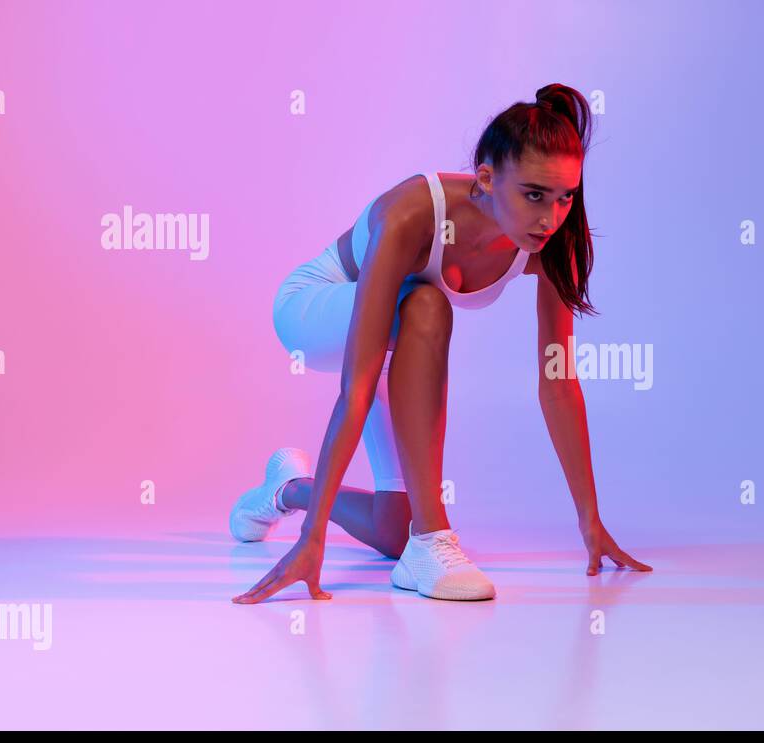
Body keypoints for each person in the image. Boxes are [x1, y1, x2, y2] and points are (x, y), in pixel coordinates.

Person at [230, 83, 652, 604]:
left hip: (394, 336)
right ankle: (433, 541)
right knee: (426, 303)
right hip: (313, 309)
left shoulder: (552, 245)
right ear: (485, 178)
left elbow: (559, 384)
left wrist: (591, 522)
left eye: (565, 196)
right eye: (534, 195)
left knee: (391, 528)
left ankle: (286, 488)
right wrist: (311, 539)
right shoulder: (415, 213)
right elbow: (358, 384)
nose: (551, 216)